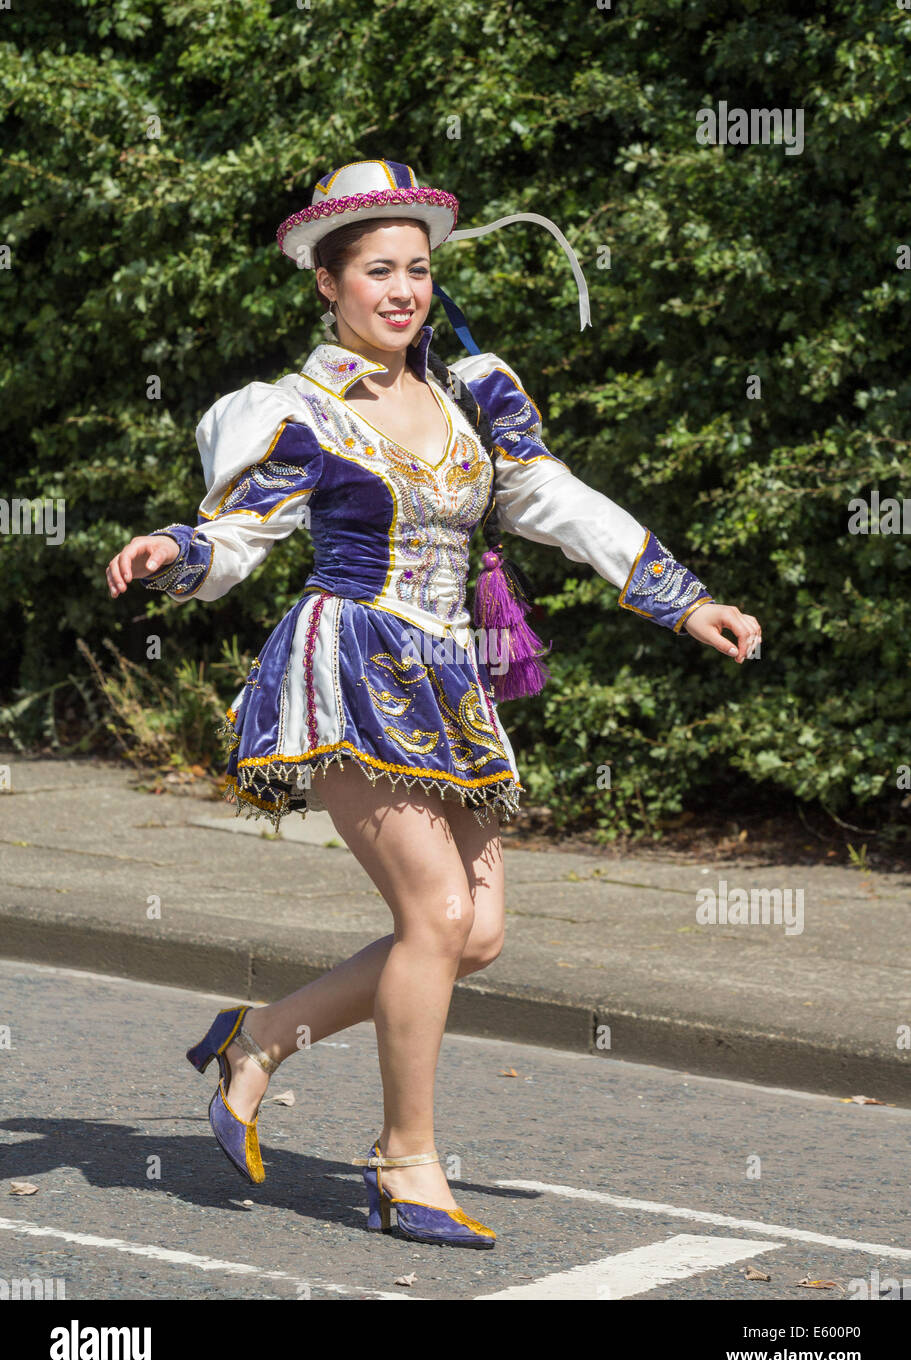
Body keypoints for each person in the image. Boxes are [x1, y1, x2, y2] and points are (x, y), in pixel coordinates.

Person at [105, 160, 761, 1249]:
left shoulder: (471, 398)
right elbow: (242, 531)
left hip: (451, 671)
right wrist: (177, 549)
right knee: (435, 917)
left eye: (415, 268)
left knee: (478, 933)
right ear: (328, 282)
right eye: (376, 270)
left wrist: (680, 599)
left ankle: (258, 1035)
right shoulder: (297, 409)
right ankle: (404, 1162)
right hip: (352, 661)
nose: (401, 289)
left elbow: (553, 499)